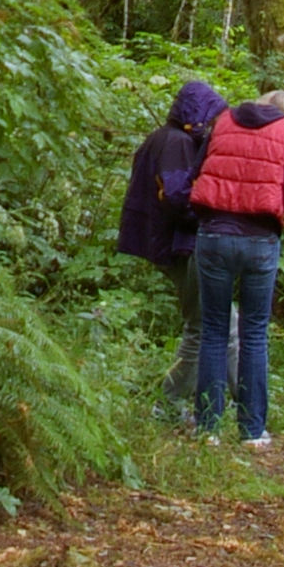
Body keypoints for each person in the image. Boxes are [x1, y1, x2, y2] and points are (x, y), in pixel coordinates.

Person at [191, 89, 284, 446]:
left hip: (214, 233)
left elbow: (199, 169)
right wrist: (272, 215)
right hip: (260, 237)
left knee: (213, 330)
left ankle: (207, 428)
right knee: (254, 334)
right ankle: (252, 431)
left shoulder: (223, 121)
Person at [117, 80, 227, 411]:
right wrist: (215, 212)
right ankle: (167, 403)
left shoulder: (161, 137)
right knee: (203, 325)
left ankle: (234, 399)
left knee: (220, 323)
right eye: (211, 117)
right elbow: (178, 199)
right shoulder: (177, 143)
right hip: (178, 246)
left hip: (165, 242)